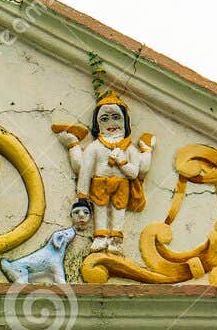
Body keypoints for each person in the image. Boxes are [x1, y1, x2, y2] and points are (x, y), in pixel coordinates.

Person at [57, 92, 153, 251]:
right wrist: (82, 196)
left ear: (125, 122)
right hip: (99, 183)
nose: (111, 123)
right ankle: (100, 236)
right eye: (104, 119)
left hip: (121, 185)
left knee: (118, 211)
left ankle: (116, 238)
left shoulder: (129, 149)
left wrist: (122, 161)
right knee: (100, 209)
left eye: (116, 117)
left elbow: (134, 173)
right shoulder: (95, 147)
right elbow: (86, 171)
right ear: (97, 124)